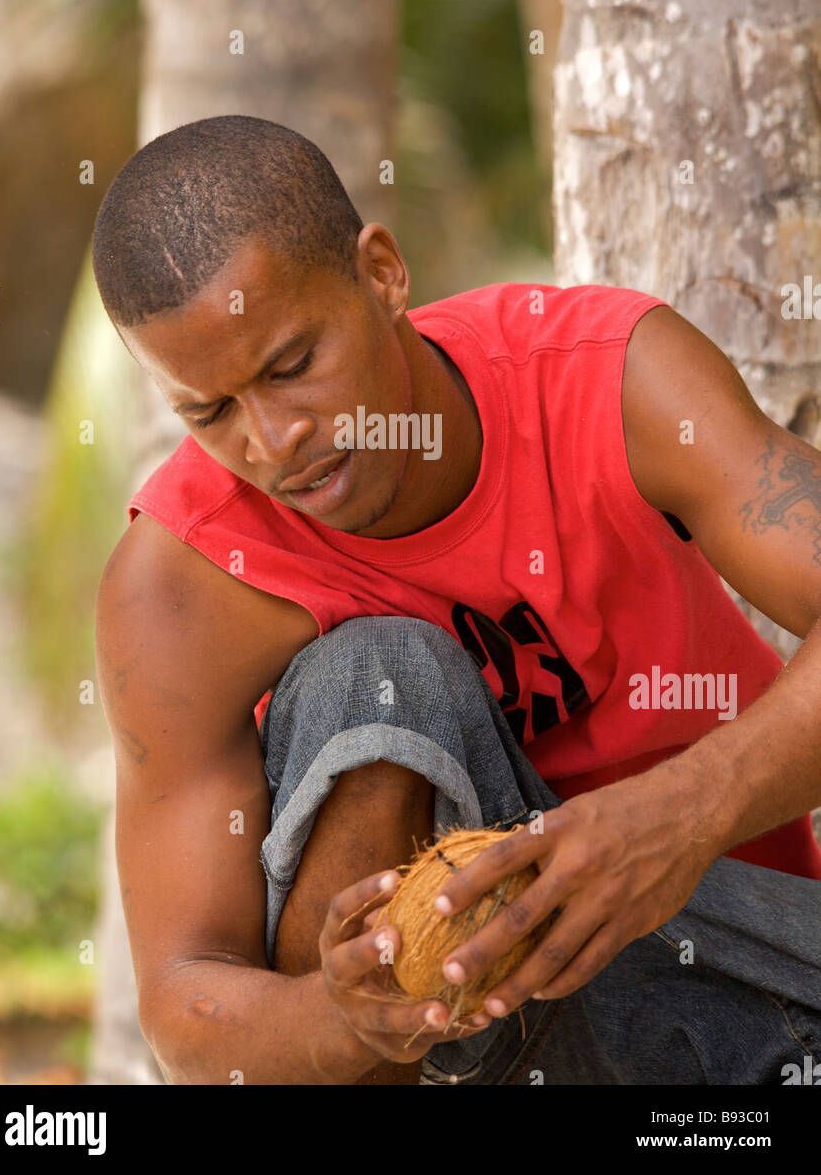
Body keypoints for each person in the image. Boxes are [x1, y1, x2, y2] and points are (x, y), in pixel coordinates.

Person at [92, 114, 821, 1085]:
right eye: (210, 410)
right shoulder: (178, 585)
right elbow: (184, 992)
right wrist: (335, 1015)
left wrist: (673, 819)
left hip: (721, 966)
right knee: (377, 670)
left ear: (382, 272)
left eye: (290, 365)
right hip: (445, 1044)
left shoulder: (611, 378)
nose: (273, 440)